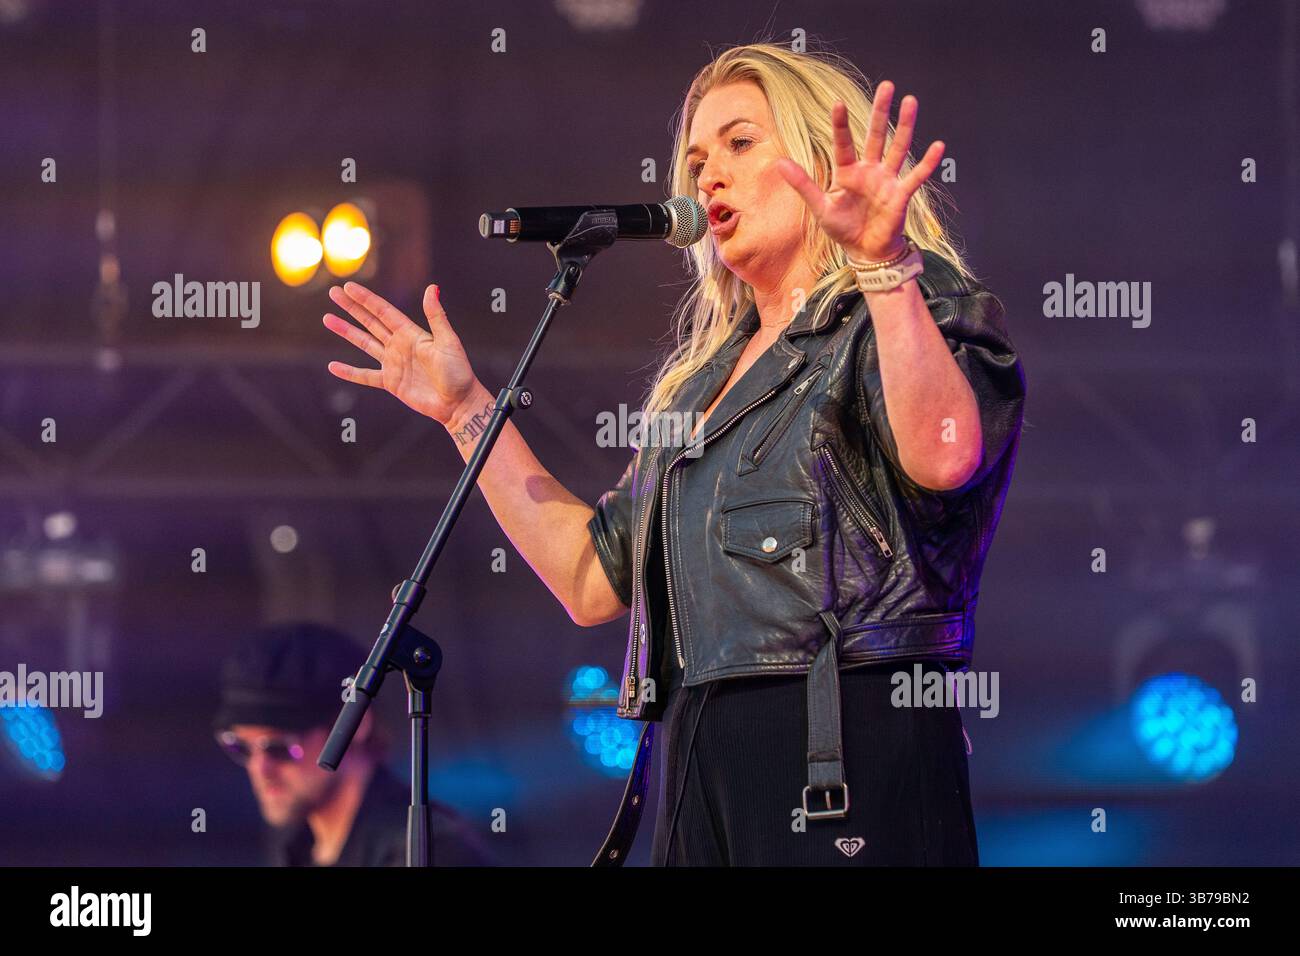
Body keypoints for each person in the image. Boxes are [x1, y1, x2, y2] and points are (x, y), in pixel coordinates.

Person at [320, 41, 1026, 866]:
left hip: (843, 746)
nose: (706, 177)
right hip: (697, 758)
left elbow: (945, 459)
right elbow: (592, 582)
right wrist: (465, 409)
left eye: (738, 143)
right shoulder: (696, 389)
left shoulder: (904, 301)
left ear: (817, 160)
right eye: (693, 159)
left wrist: (887, 268)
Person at [213, 620, 491, 866]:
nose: (259, 769)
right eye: (239, 746)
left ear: (356, 725)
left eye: (277, 747)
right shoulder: (298, 849)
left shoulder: (426, 852)